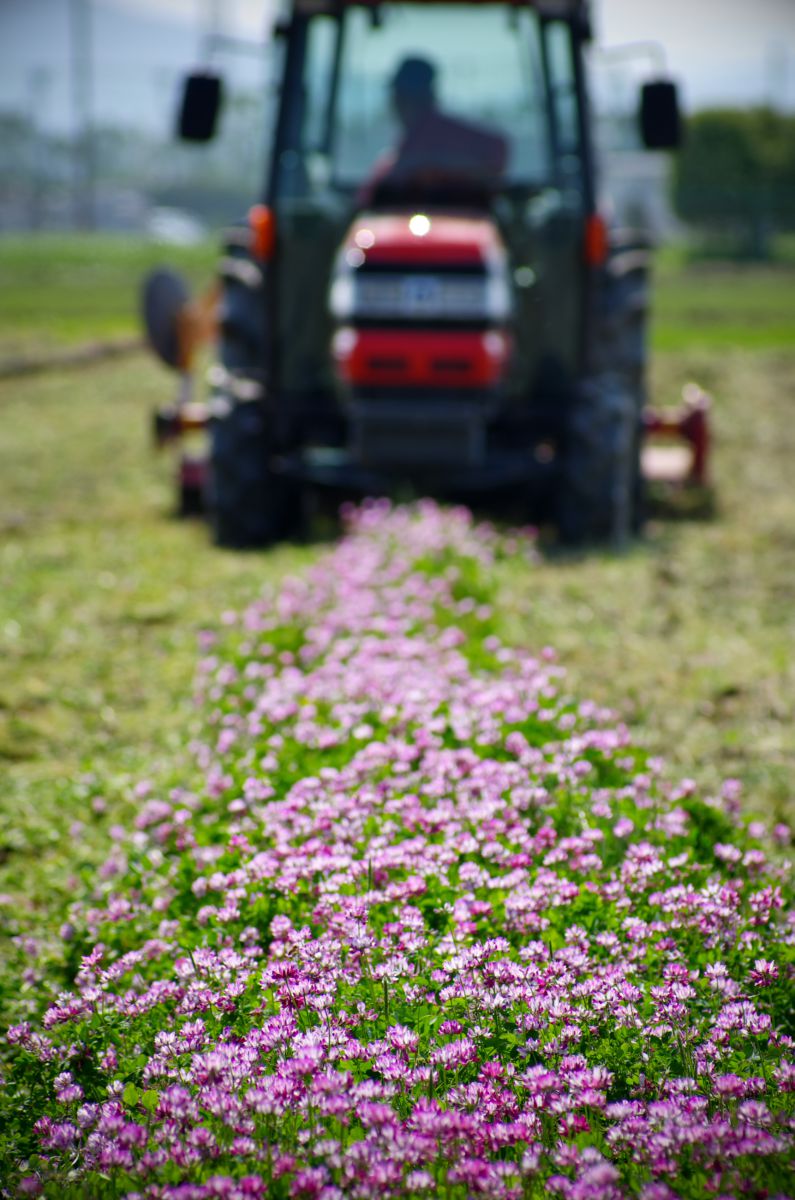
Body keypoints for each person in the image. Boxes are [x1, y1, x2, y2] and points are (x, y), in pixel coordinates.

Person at [360, 56, 508, 203]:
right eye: (399, 96)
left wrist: (437, 164)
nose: (397, 103)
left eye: (404, 96)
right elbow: (368, 197)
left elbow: (497, 151)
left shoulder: (447, 134)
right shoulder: (402, 146)